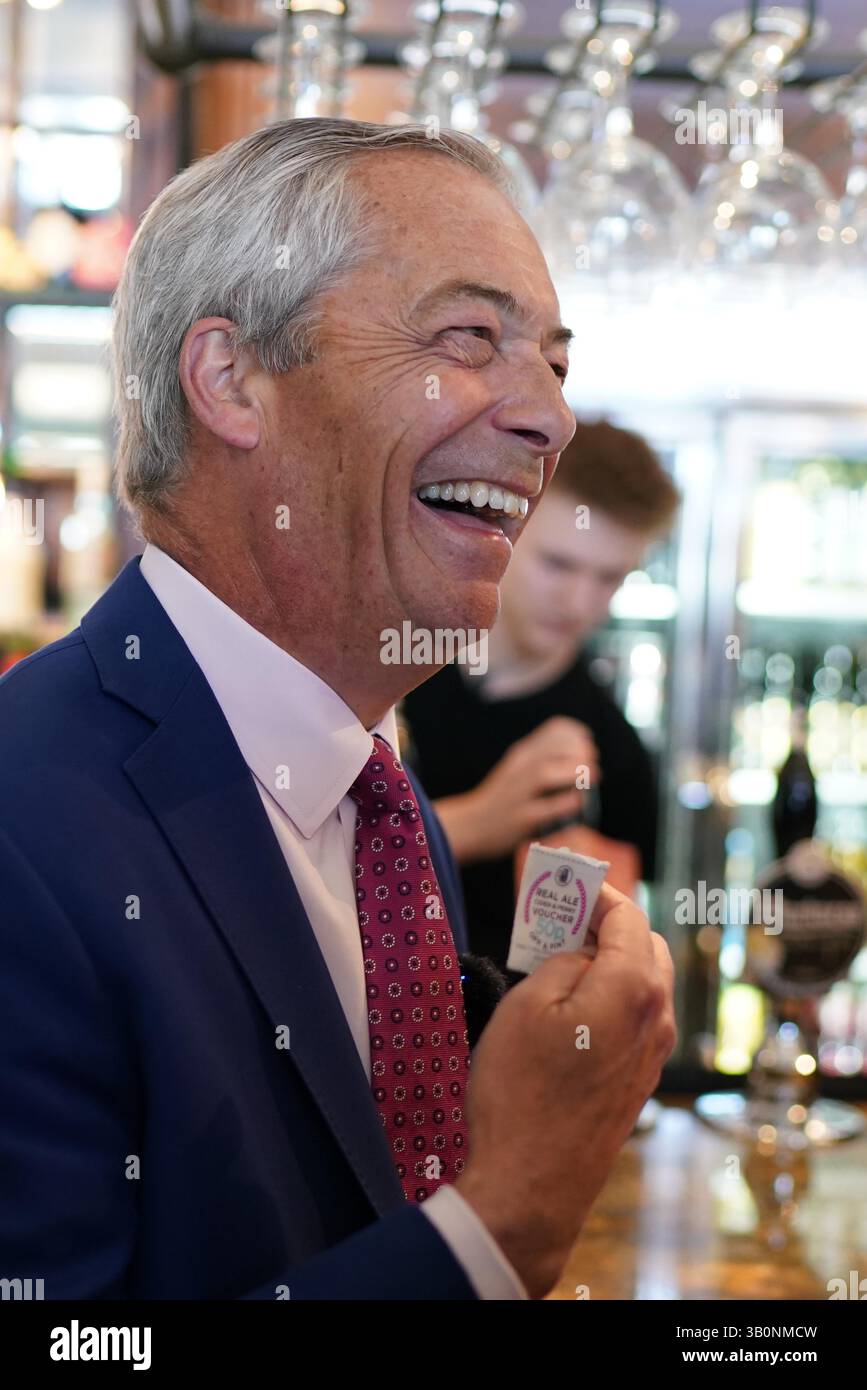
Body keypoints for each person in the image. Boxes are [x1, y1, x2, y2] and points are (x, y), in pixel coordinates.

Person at [0, 118, 675, 1301]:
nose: (550, 419)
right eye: (471, 337)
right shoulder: (24, 822)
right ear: (233, 380)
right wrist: (505, 1221)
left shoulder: (373, 783)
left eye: (555, 365)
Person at [404, 420, 680, 975]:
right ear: (502, 524)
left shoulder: (614, 754)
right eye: (559, 564)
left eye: (609, 577)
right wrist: (480, 820)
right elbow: (303, 877)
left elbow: (598, 977)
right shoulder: (392, 676)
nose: (580, 602)